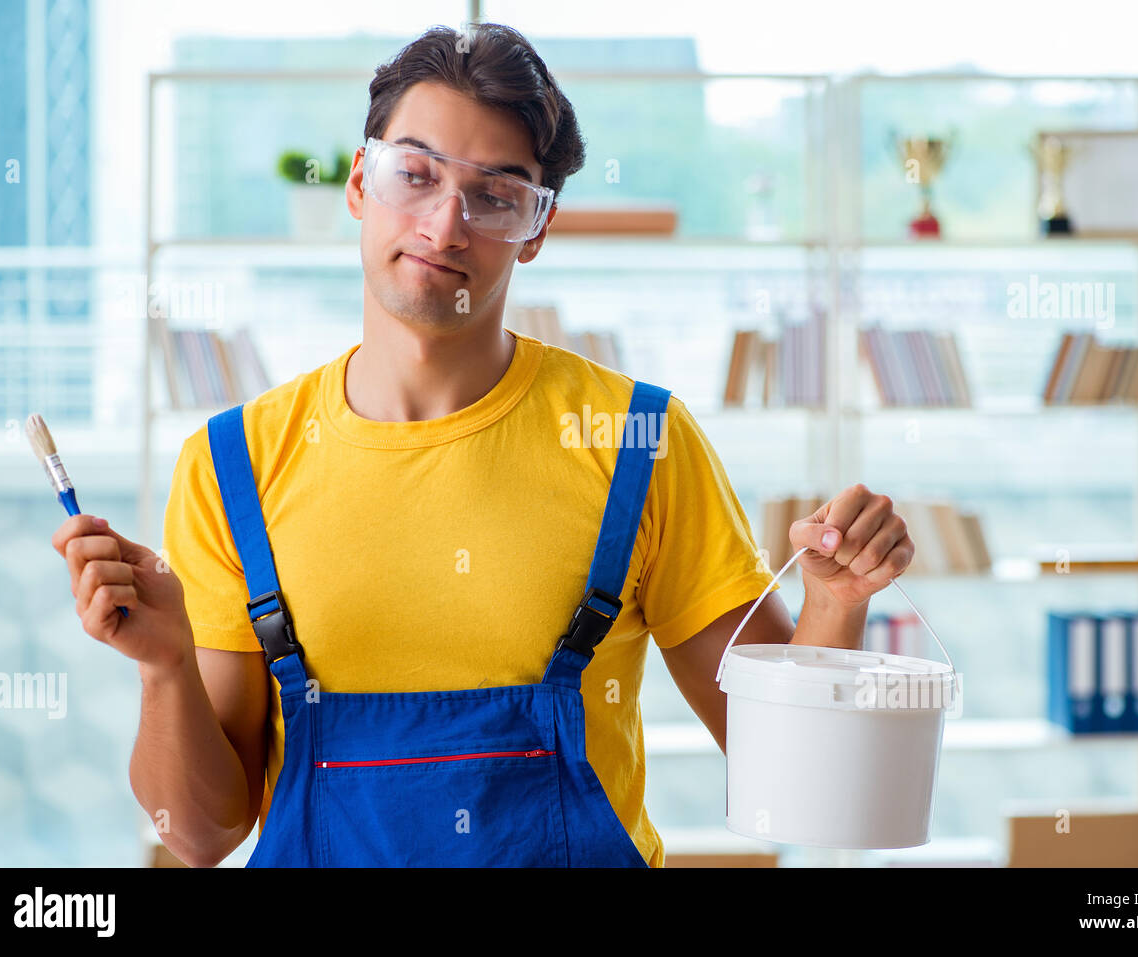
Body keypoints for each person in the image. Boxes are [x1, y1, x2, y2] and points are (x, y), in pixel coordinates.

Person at [51, 22, 913, 868]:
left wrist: (837, 602)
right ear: (359, 182)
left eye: (495, 194)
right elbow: (200, 836)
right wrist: (164, 670)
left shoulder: (637, 443)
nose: (444, 224)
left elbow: (792, 781)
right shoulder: (233, 465)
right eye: (414, 174)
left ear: (536, 229)